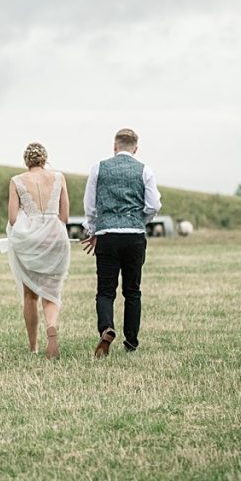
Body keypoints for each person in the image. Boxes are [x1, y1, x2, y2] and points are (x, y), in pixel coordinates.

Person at [81, 128, 161, 358]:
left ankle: (106, 328)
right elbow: (154, 205)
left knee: (105, 291)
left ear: (114, 147)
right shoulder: (144, 170)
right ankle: (131, 341)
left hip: (107, 234)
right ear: (135, 149)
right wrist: (140, 220)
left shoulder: (99, 168)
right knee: (132, 291)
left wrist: (93, 229)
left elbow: (90, 204)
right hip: (134, 235)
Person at [6, 142, 71, 360]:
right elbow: (65, 217)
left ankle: (33, 346)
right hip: (55, 236)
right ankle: (51, 327)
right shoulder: (59, 178)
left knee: (30, 294)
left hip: (31, 240)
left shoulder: (16, 181)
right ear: (44, 159)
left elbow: (13, 219)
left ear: (26, 161)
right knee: (51, 291)